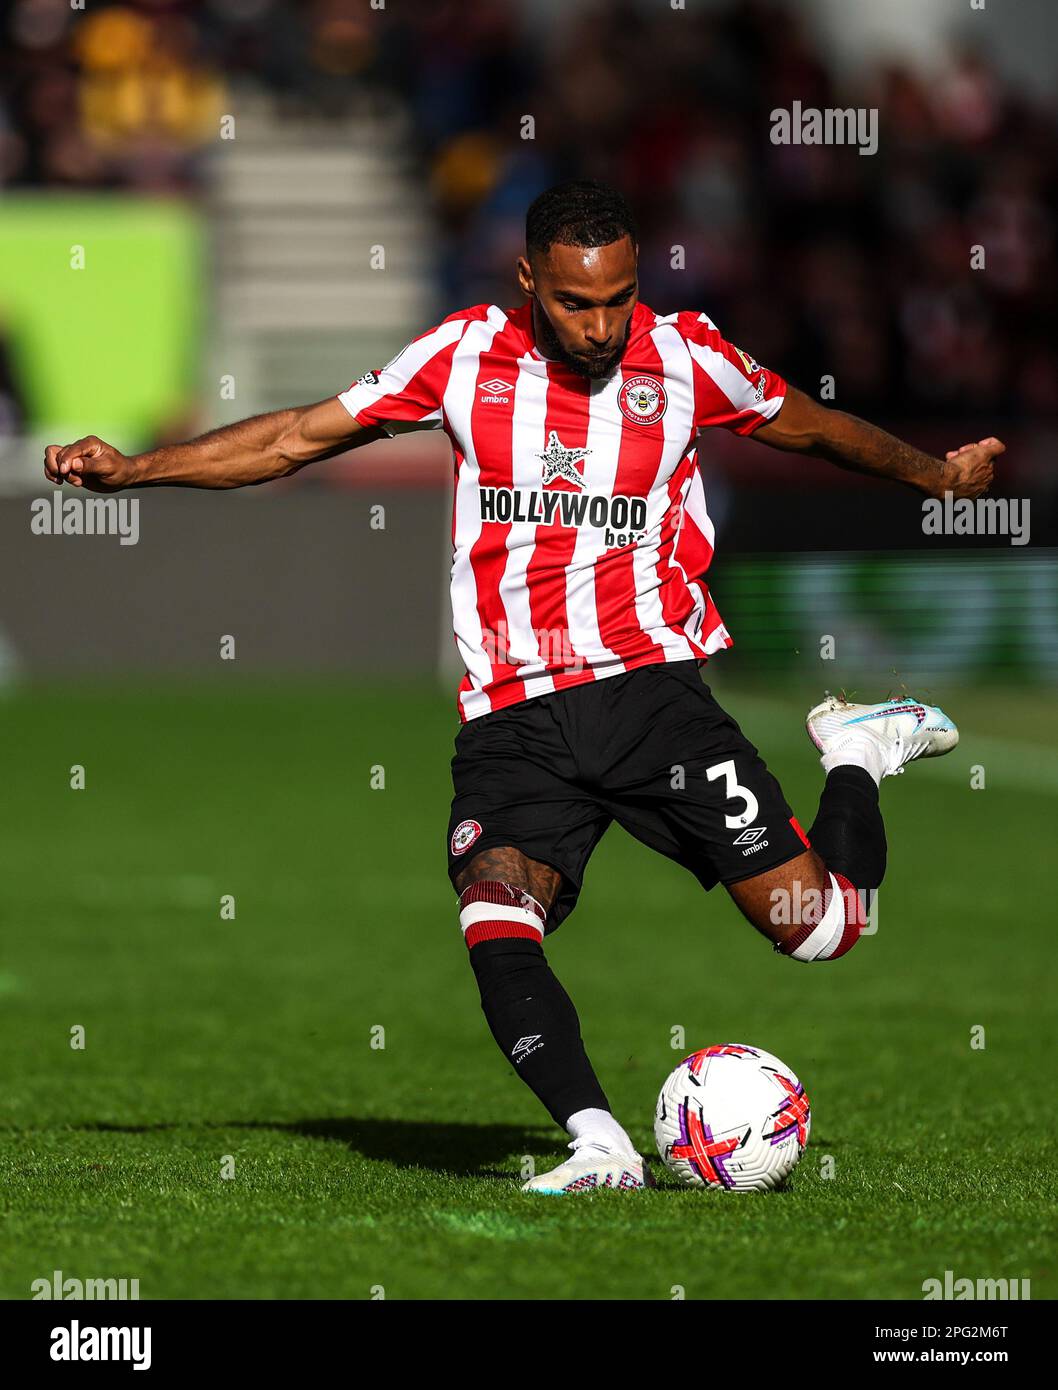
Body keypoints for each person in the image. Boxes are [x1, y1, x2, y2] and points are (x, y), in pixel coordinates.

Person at [45, 180, 1003, 1194]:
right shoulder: (462, 355)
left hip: (646, 696)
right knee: (493, 908)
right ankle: (598, 1142)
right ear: (527, 281)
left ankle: (855, 747)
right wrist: (138, 470)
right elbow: (293, 438)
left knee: (821, 929)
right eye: (574, 302)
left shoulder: (685, 358)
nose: (599, 325)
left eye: (618, 298)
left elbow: (808, 427)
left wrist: (933, 478)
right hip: (510, 713)